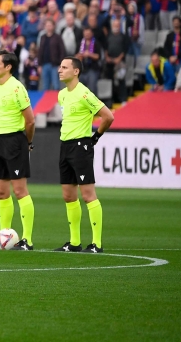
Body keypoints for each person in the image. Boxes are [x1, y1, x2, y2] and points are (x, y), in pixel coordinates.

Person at [54, 57, 114, 253]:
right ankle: (74, 242)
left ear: (76, 71)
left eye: (64, 67)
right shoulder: (62, 94)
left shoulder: (84, 93)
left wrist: (95, 136)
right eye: (60, 67)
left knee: (88, 195)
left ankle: (96, 243)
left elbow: (108, 116)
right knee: (68, 196)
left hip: (81, 145)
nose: (60, 70)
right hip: (65, 146)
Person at [0, 50, 37, 251]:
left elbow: (30, 120)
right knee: (1, 191)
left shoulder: (17, 88)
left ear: (8, 67)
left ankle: (27, 240)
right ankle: (3, 238)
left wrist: (27, 141)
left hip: (16, 140)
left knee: (20, 190)